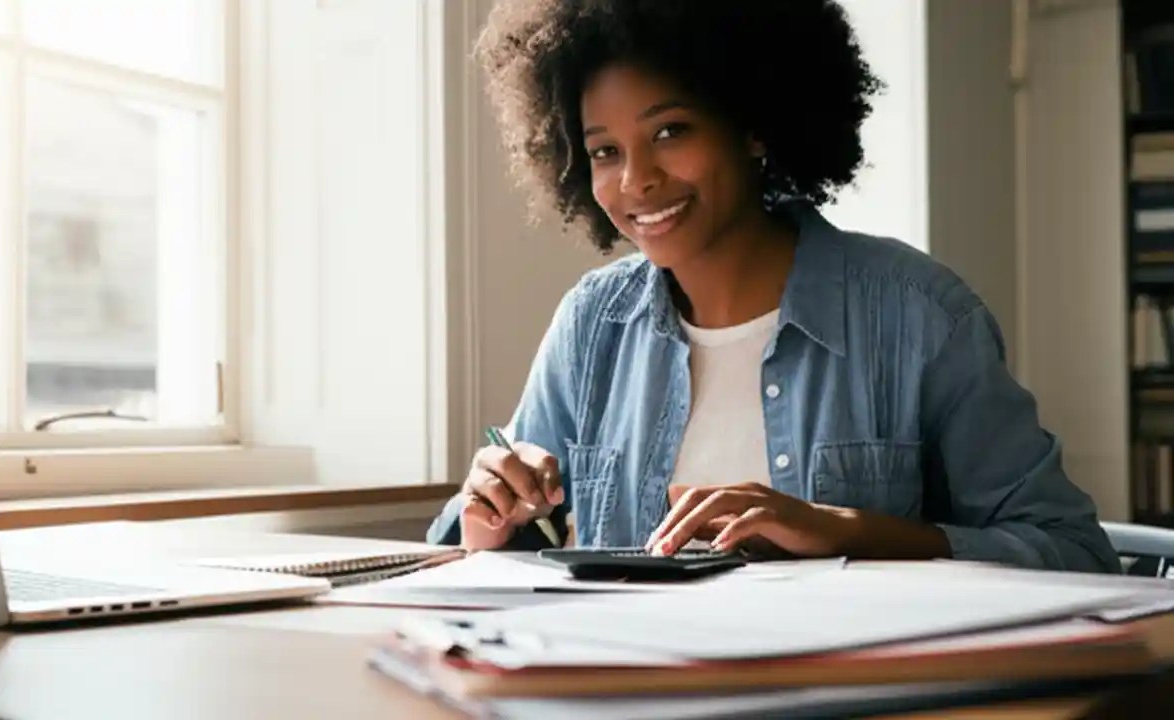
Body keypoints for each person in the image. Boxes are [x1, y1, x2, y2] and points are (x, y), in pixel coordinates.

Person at [427, 0, 1120, 573]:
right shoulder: (591, 325)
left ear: (753, 127)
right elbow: (495, 547)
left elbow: (1073, 552)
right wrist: (488, 522)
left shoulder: (921, 315)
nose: (634, 180)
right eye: (605, 150)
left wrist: (847, 530)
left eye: (670, 131)